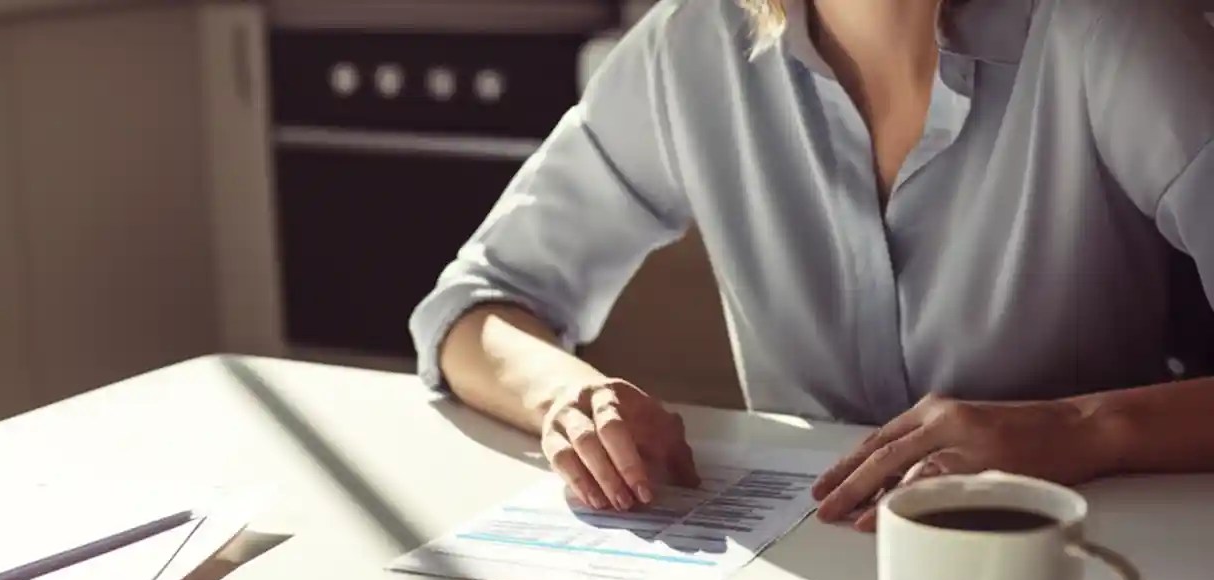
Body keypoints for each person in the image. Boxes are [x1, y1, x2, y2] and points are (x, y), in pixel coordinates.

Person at [410, 0, 1214, 531]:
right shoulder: (695, 43)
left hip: (1109, 574)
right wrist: (571, 398)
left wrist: (1080, 429)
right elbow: (477, 305)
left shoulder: (1114, 30)